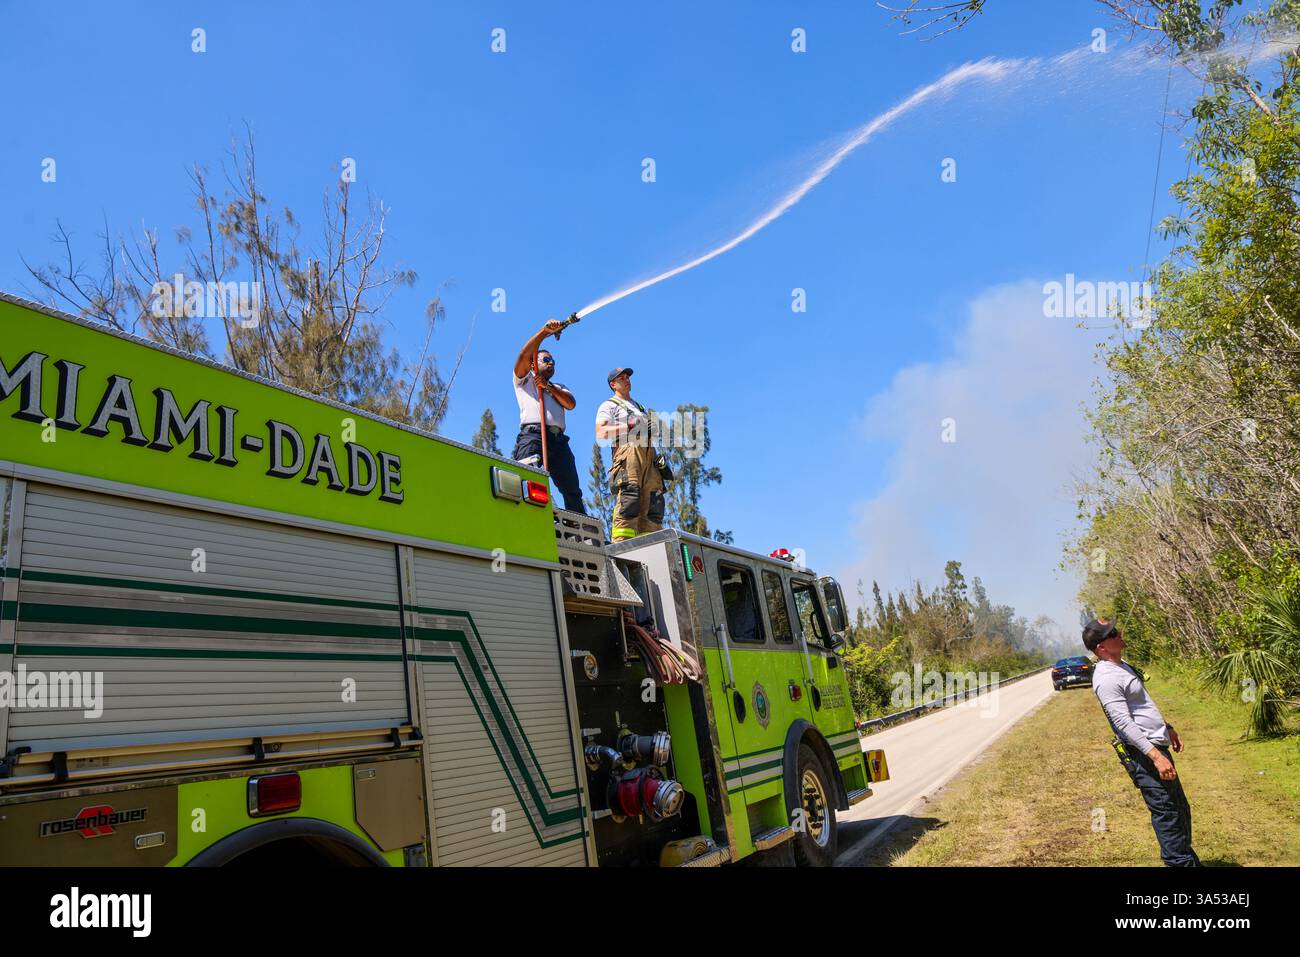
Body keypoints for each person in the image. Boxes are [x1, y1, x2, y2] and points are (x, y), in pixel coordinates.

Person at [1084, 618, 1200, 867]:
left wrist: (1167, 728)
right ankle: (1180, 863)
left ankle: (1186, 860)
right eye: (1112, 633)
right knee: (1167, 813)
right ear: (1101, 647)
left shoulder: (1121, 665)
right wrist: (1156, 757)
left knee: (1179, 809)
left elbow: (1142, 706)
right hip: (1143, 753)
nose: (1119, 633)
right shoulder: (1105, 678)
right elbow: (1124, 724)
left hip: (1156, 745)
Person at [511, 320, 586, 514]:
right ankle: (535, 516)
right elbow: (523, 355)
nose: (551, 362)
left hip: (558, 440)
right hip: (534, 434)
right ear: (534, 362)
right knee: (529, 474)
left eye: (553, 361)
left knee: (572, 489)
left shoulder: (558, 387)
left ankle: (580, 531)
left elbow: (570, 404)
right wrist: (544, 332)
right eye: (546, 360)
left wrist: (548, 387)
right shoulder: (524, 380)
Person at [594, 367, 666, 540]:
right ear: (613, 384)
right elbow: (601, 432)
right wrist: (630, 426)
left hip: (649, 456)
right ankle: (622, 547)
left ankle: (651, 545)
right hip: (628, 454)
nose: (627, 380)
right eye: (622, 378)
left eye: (627, 377)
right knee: (630, 499)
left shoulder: (639, 406)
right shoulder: (609, 405)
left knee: (653, 504)